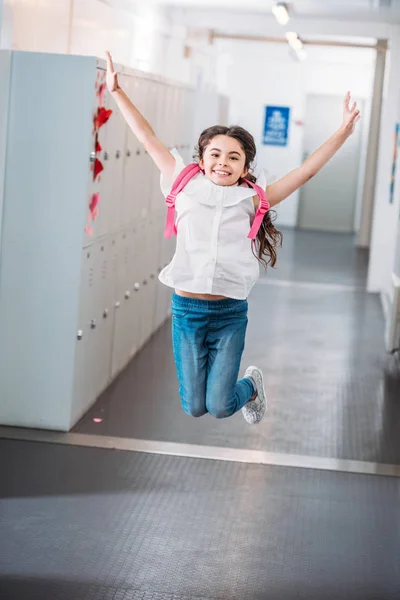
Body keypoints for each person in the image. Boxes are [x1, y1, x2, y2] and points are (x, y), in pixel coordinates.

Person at [105, 51, 361, 425]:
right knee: (194, 406)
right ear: (202, 157)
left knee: (222, 405)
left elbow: (305, 172)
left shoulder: (253, 198)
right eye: (215, 154)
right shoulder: (183, 183)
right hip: (187, 311)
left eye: (233, 157)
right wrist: (117, 92)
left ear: (245, 166)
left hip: (229, 313)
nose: (223, 162)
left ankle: (251, 387)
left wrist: (342, 132)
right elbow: (146, 137)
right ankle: (232, 389)